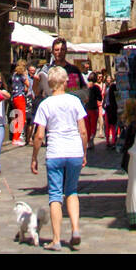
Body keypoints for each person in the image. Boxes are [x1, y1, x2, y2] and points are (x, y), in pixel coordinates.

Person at [31, 64, 88, 250]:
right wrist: (85, 152)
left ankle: (56, 240)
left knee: (55, 195)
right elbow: (83, 131)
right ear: (65, 82)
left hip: (55, 152)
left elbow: (39, 135)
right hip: (74, 152)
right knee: (71, 191)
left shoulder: (45, 104)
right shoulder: (74, 101)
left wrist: (34, 157)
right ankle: (76, 229)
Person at [34, 37, 87, 101]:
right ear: (52, 51)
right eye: (57, 50)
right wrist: (35, 82)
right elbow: (36, 92)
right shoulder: (46, 70)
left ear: (66, 51)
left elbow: (83, 89)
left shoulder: (74, 70)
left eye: (62, 49)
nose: (59, 52)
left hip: (70, 106)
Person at [11, 58, 30, 144]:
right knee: (21, 118)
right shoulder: (22, 75)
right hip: (20, 97)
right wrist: (26, 76)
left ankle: (15, 137)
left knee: (16, 117)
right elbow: (28, 84)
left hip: (14, 97)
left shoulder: (14, 75)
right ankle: (16, 138)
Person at [85, 72, 103, 146]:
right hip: (93, 108)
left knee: (87, 126)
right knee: (93, 125)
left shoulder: (85, 86)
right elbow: (100, 98)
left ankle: (88, 140)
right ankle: (91, 139)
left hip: (86, 108)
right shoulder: (96, 87)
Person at [102, 74, 118, 147]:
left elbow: (105, 99)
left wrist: (104, 105)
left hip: (108, 108)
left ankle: (108, 141)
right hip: (113, 108)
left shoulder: (108, 89)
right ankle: (113, 140)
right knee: (113, 125)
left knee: (108, 125)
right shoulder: (112, 88)